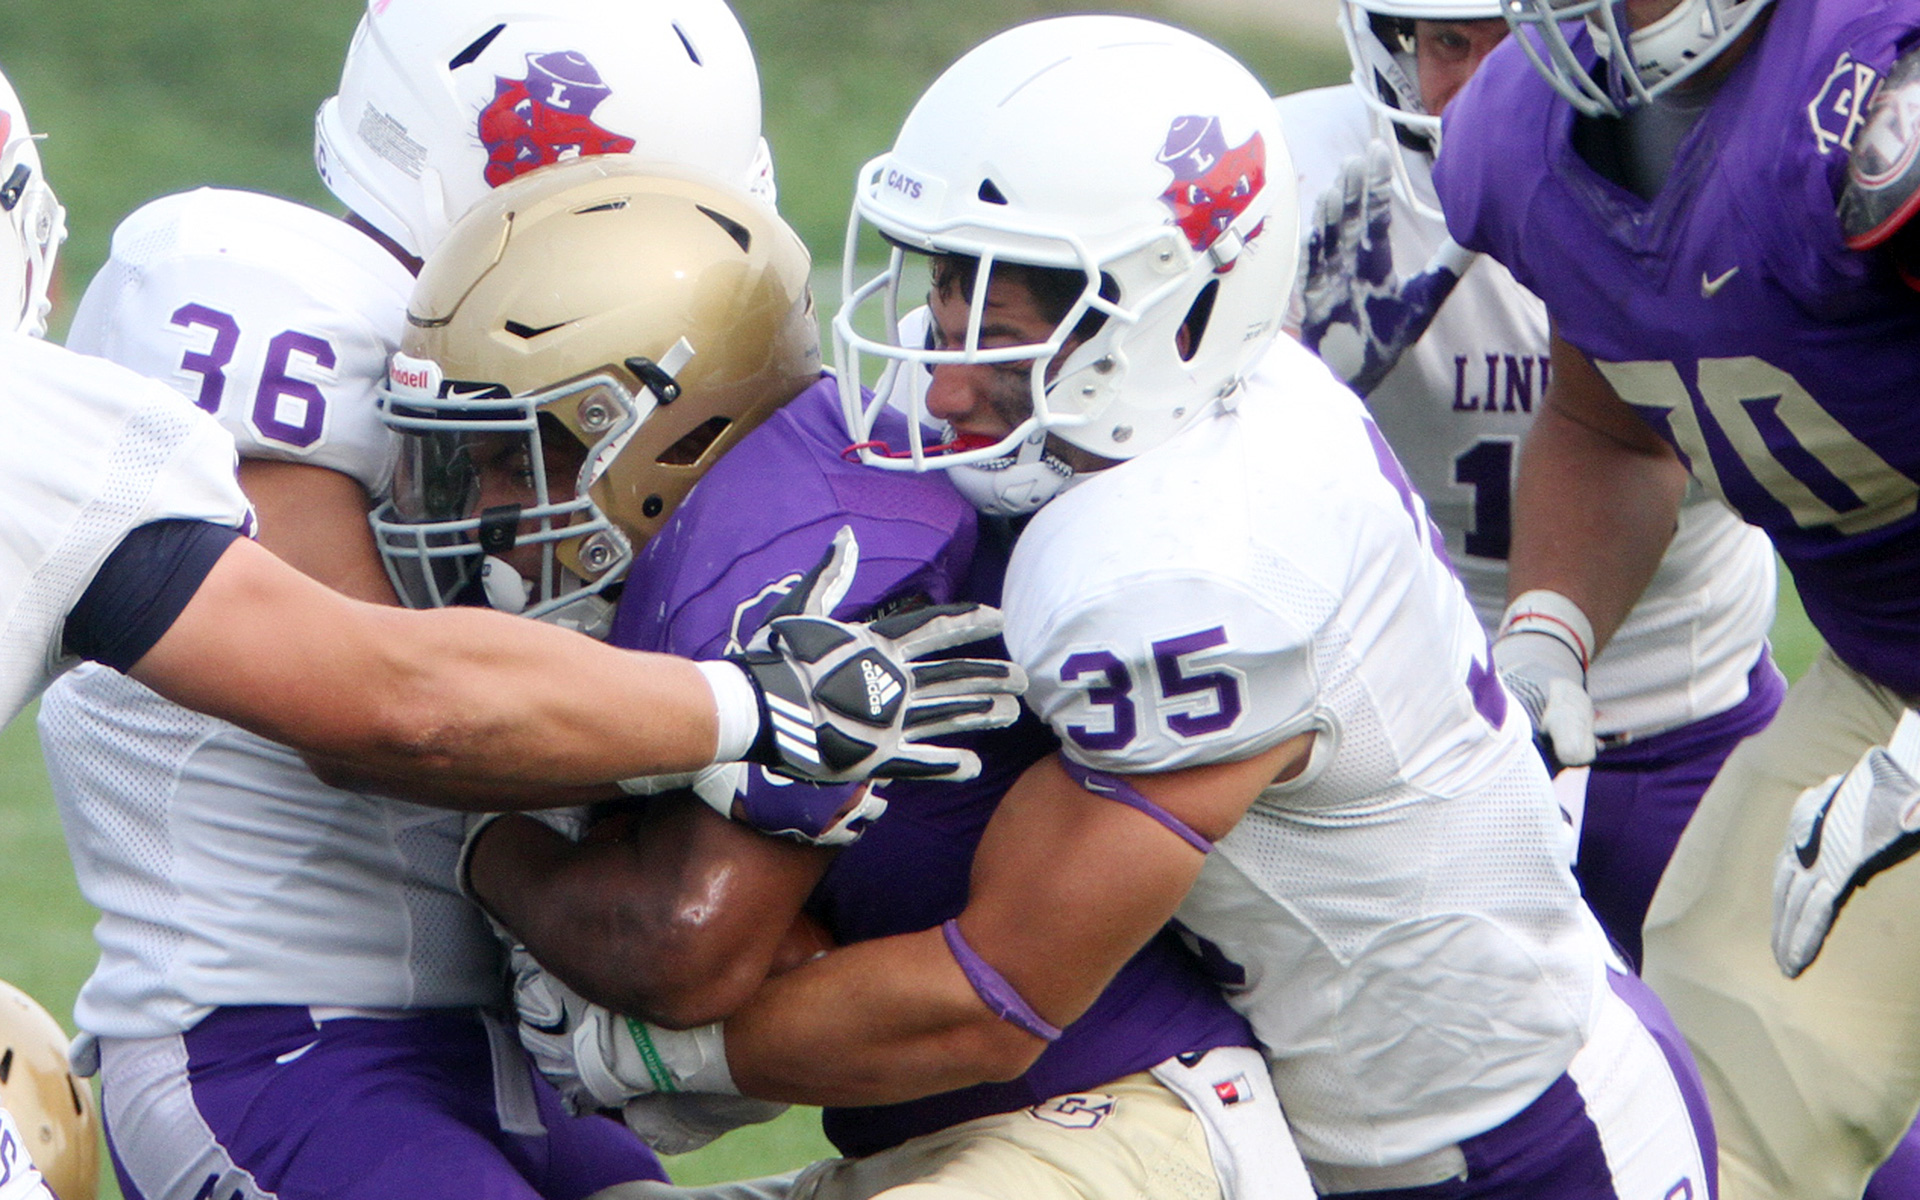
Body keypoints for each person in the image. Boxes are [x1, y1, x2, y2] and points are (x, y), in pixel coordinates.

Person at [500, 15, 1715, 1199]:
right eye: (942, 299)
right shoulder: (1210, 405)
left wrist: (657, 1051)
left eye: (1011, 335)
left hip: (1510, 1148)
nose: (949, 375)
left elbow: (989, 1000)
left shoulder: (1184, 564)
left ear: (1179, 316)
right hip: (1371, 1102)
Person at [29, 3, 1015, 1196]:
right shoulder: (256, 291)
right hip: (267, 1035)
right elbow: (386, 700)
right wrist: (763, 723)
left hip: (509, 1066)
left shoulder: (645, 376)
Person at [439, 152, 1303, 1199]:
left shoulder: (809, 556)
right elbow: (780, 959)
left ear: (661, 435)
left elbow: (681, 944)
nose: (479, 507)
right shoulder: (768, 515)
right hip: (974, 1138)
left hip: (1120, 1129)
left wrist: (485, 845)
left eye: (512, 453)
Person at [1429, 0, 1920, 1195]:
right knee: (1715, 1103)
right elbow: (1610, 424)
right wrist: (1547, 632)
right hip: (1883, 672)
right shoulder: (1528, 131)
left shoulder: (1876, 96)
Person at [1275, 0, 1782, 969]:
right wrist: (1266, 367)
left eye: (1523, 48)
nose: (1485, 89)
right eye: (1447, 43)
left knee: (1809, 1095)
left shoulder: (1721, 174)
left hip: (1689, 717)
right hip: (1402, 736)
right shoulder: (1300, 184)